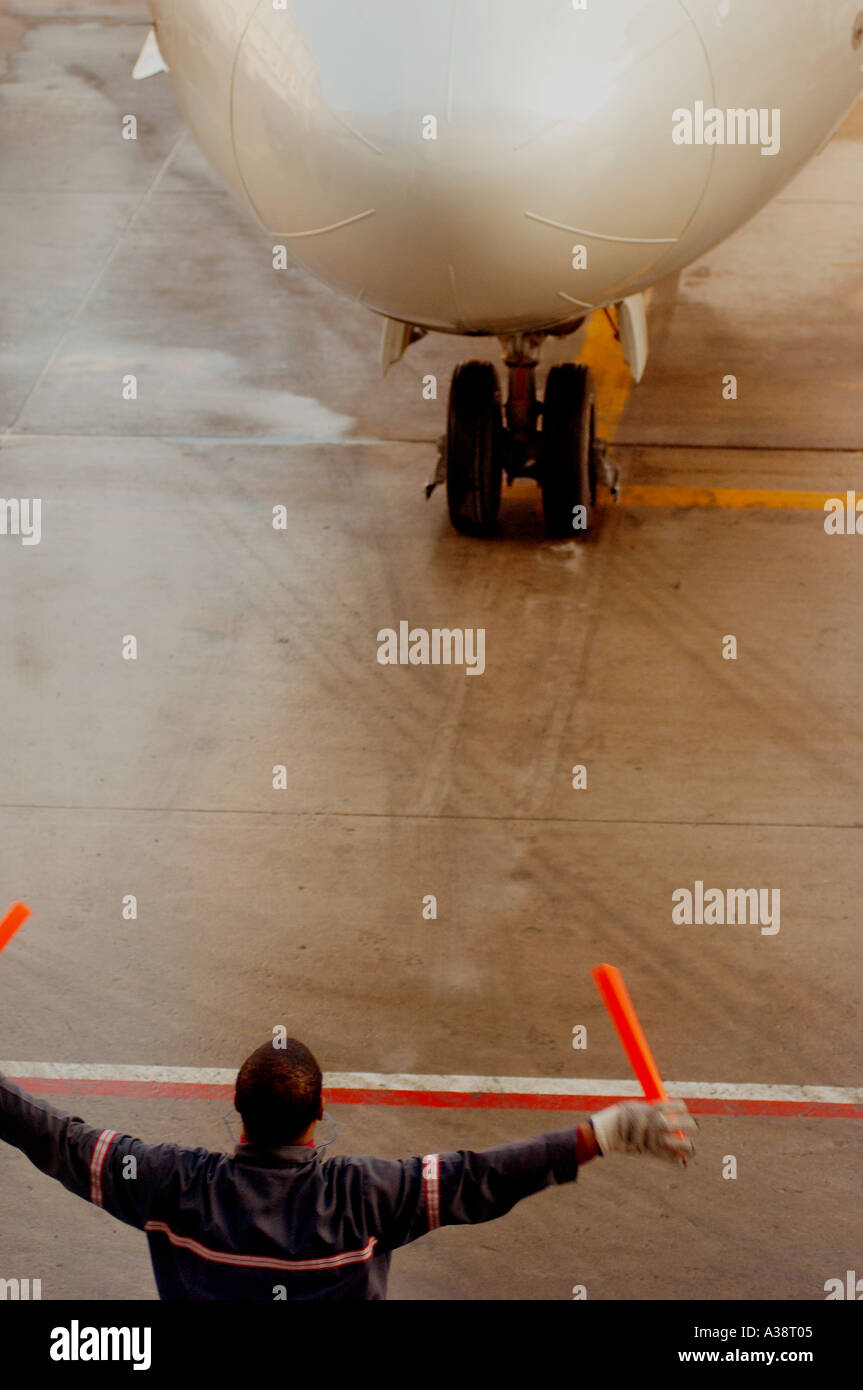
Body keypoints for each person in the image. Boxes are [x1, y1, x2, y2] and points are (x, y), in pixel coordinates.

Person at [0, 1037, 696, 1300]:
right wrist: (602, 1133)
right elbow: (483, 1178)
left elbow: (53, 1136)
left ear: (236, 1111)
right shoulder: (365, 1196)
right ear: (319, 1114)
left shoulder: (170, 1184)